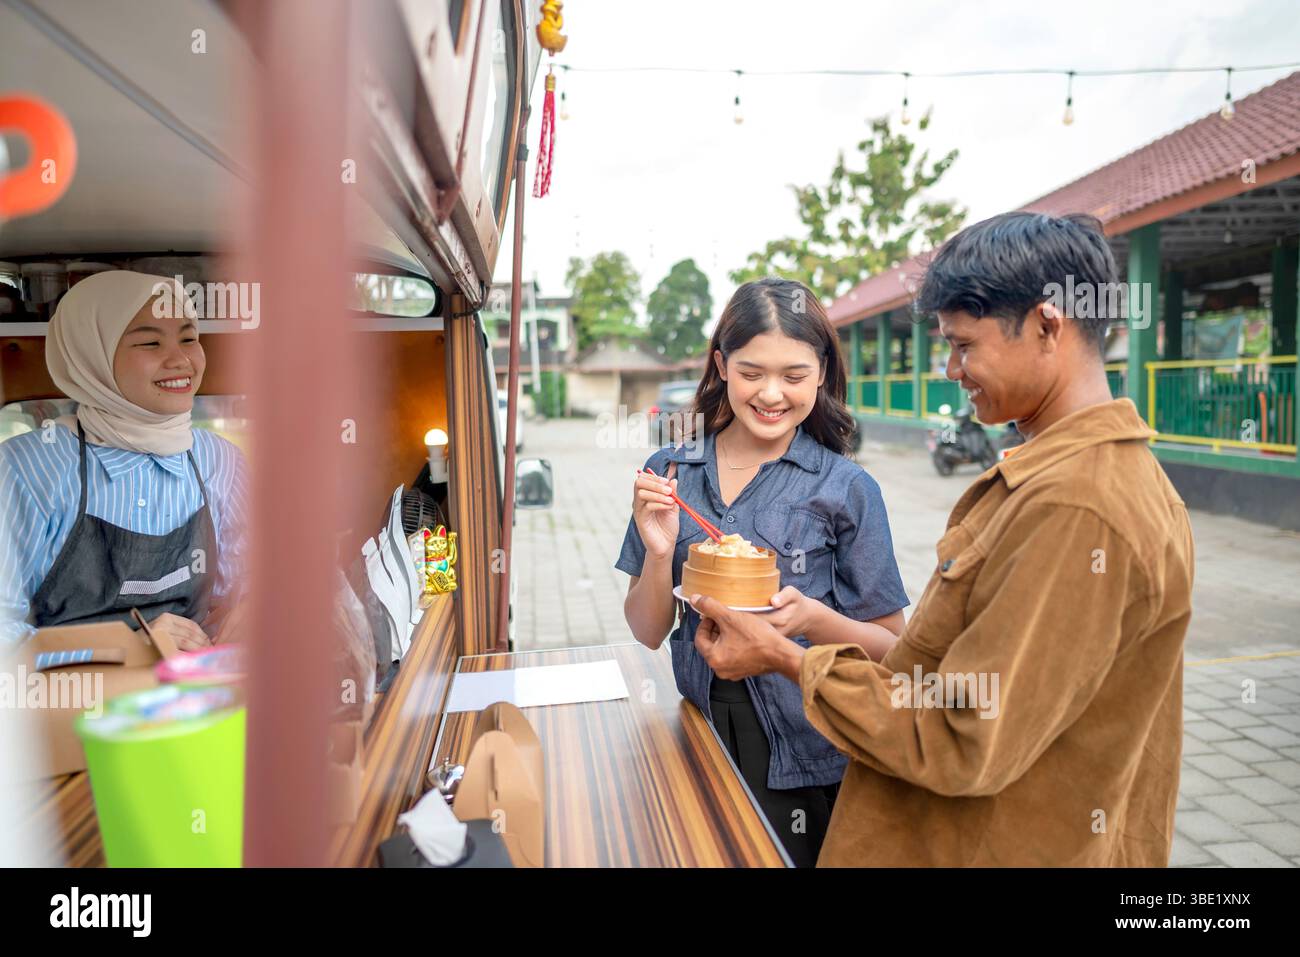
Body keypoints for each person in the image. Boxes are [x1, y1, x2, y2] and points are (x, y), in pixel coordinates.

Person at [688, 212, 1195, 866]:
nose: (952, 368)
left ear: (1047, 325)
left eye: (964, 345)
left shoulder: (1078, 505)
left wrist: (788, 658)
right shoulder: (1070, 477)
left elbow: (960, 735)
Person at [617, 278, 909, 867]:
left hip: (812, 750)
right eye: (752, 373)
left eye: (794, 376)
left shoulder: (847, 488)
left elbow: (892, 650)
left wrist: (812, 618)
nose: (772, 394)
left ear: (822, 372)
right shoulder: (672, 468)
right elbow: (647, 631)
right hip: (698, 732)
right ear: (722, 365)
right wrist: (657, 551)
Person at [0, 270, 249, 649]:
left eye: (189, 338)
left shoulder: (219, 462)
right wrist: (127, 649)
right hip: (64, 703)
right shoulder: (26, 470)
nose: (180, 359)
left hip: (197, 699)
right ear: (91, 356)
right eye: (150, 342)